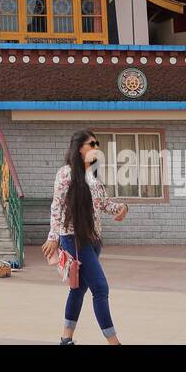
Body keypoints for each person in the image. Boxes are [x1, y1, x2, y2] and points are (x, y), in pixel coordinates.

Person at [41, 129, 129, 345]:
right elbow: (57, 206)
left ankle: (66, 339)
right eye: (92, 144)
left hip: (93, 241)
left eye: (97, 145)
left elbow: (105, 204)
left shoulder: (93, 177)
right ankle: (114, 342)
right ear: (79, 148)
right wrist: (53, 237)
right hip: (74, 239)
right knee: (100, 288)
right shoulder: (66, 173)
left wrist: (123, 208)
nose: (96, 148)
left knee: (78, 289)